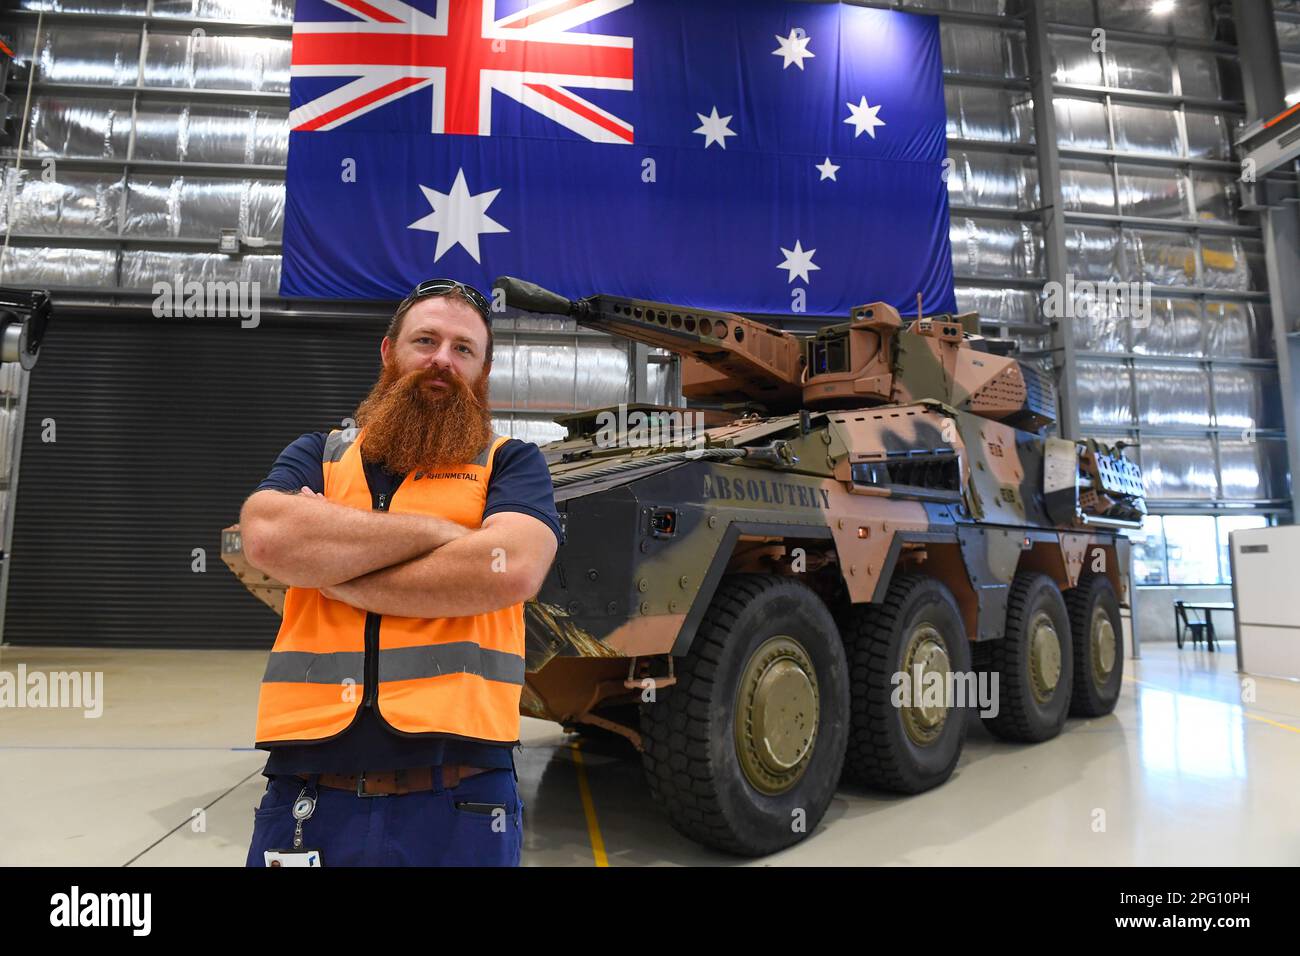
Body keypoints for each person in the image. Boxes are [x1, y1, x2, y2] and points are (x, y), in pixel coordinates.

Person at [238, 278, 560, 867]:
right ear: (389, 353)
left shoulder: (510, 461)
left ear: (481, 373)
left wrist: (332, 568)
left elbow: (511, 566)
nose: (442, 359)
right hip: (309, 794)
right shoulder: (322, 451)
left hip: (460, 800)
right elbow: (264, 535)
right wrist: (445, 535)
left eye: (464, 349)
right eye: (426, 340)